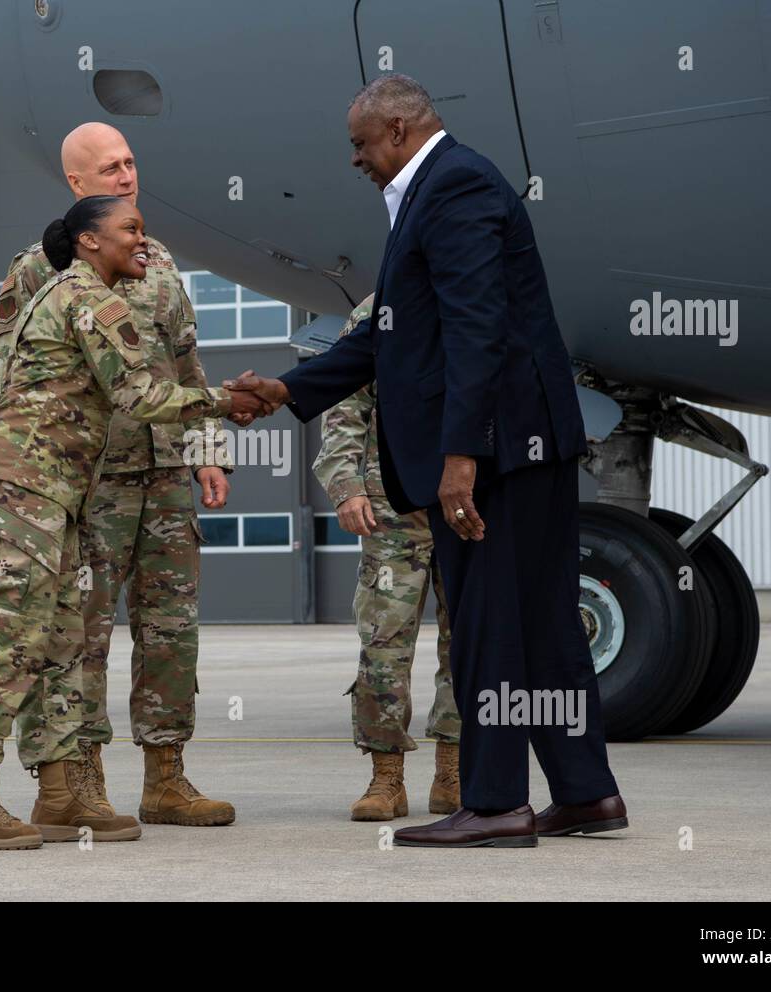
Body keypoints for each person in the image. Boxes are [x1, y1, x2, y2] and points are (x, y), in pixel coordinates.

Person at [227, 75, 626, 848]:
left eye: (360, 143)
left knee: (489, 625)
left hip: (503, 451)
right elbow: (390, 333)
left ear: (401, 129)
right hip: (520, 445)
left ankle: (496, 801)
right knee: (544, 622)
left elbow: (478, 330)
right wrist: (285, 388)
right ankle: (584, 793)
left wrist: (461, 458)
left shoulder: (456, 186)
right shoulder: (431, 194)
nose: (355, 159)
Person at [0, 194, 262, 849]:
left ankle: (58, 795)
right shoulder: (91, 299)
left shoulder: (82, 292)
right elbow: (143, 395)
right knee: (13, 635)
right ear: (88, 240)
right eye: (129, 230)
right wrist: (233, 400)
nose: (143, 240)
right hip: (22, 484)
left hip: (57, 490)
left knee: (60, 644)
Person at [0, 122, 236, 827]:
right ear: (77, 182)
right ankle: (77, 783)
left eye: (131, 162)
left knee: (171, 630)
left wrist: (207, 450)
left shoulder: (157, 262)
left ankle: (166, 779)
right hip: (88, 479)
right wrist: (35, 480)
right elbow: (10, 381)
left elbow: (186, 365)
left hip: (161, 477)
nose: (127, 175)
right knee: (79, 635)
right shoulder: (39, 266)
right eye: (110, 166)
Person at [311, 294, 460, 821]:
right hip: (393, 508)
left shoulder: (488, 301)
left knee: (468, 643)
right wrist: (346, 485)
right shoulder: (382, 309)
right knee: (383, 643)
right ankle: (385, 778)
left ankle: (453, 773)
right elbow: (347, 404)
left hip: (471, 503)